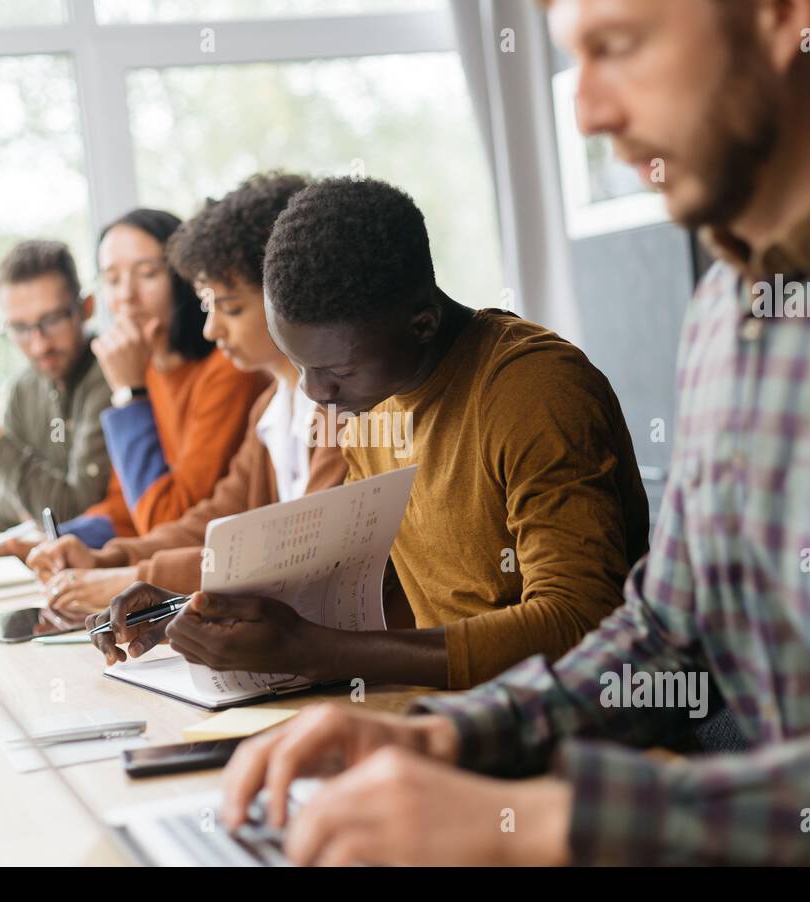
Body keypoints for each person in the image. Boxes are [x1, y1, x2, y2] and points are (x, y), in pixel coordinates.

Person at [215, 0, 810, 865]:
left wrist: (548, 826)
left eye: (619, 46)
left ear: (784, 18)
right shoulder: (721, 313)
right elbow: (665, 638)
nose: (586, 111)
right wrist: (446, 738)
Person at [95, 175, 650, 691]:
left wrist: (322, 652)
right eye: (298, 363)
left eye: (336, 371)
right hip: (454, 712)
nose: (315, 394)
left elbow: (578, 624)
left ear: (423, 323)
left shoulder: (535, 391)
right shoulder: (362, 402)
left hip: (569, 730)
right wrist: (190, 613)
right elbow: (344, 588)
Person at [27, 173, 349, 616]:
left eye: (230, 307)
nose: (212, 326)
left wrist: (133, 575)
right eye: (112, 279)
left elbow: (292, 553)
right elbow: (216, 521)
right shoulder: (271, 405)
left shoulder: (332, 408)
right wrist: (108, 557)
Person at [53, 209, 267, 559]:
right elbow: (127, 507)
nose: (126, 296)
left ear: (184, 281)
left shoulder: (228, 371)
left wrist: (130, 396)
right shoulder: (146, 369)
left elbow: (167, 523)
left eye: (148, 274)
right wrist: (59, 538)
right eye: (112, 279)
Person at [0, 240, 111, 543]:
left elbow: (73, 513)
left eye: (52, 320)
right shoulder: (25, 386)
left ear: (86, 309)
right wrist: (36, 507)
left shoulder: (111, 372)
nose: (39, 345)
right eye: (19, 328)